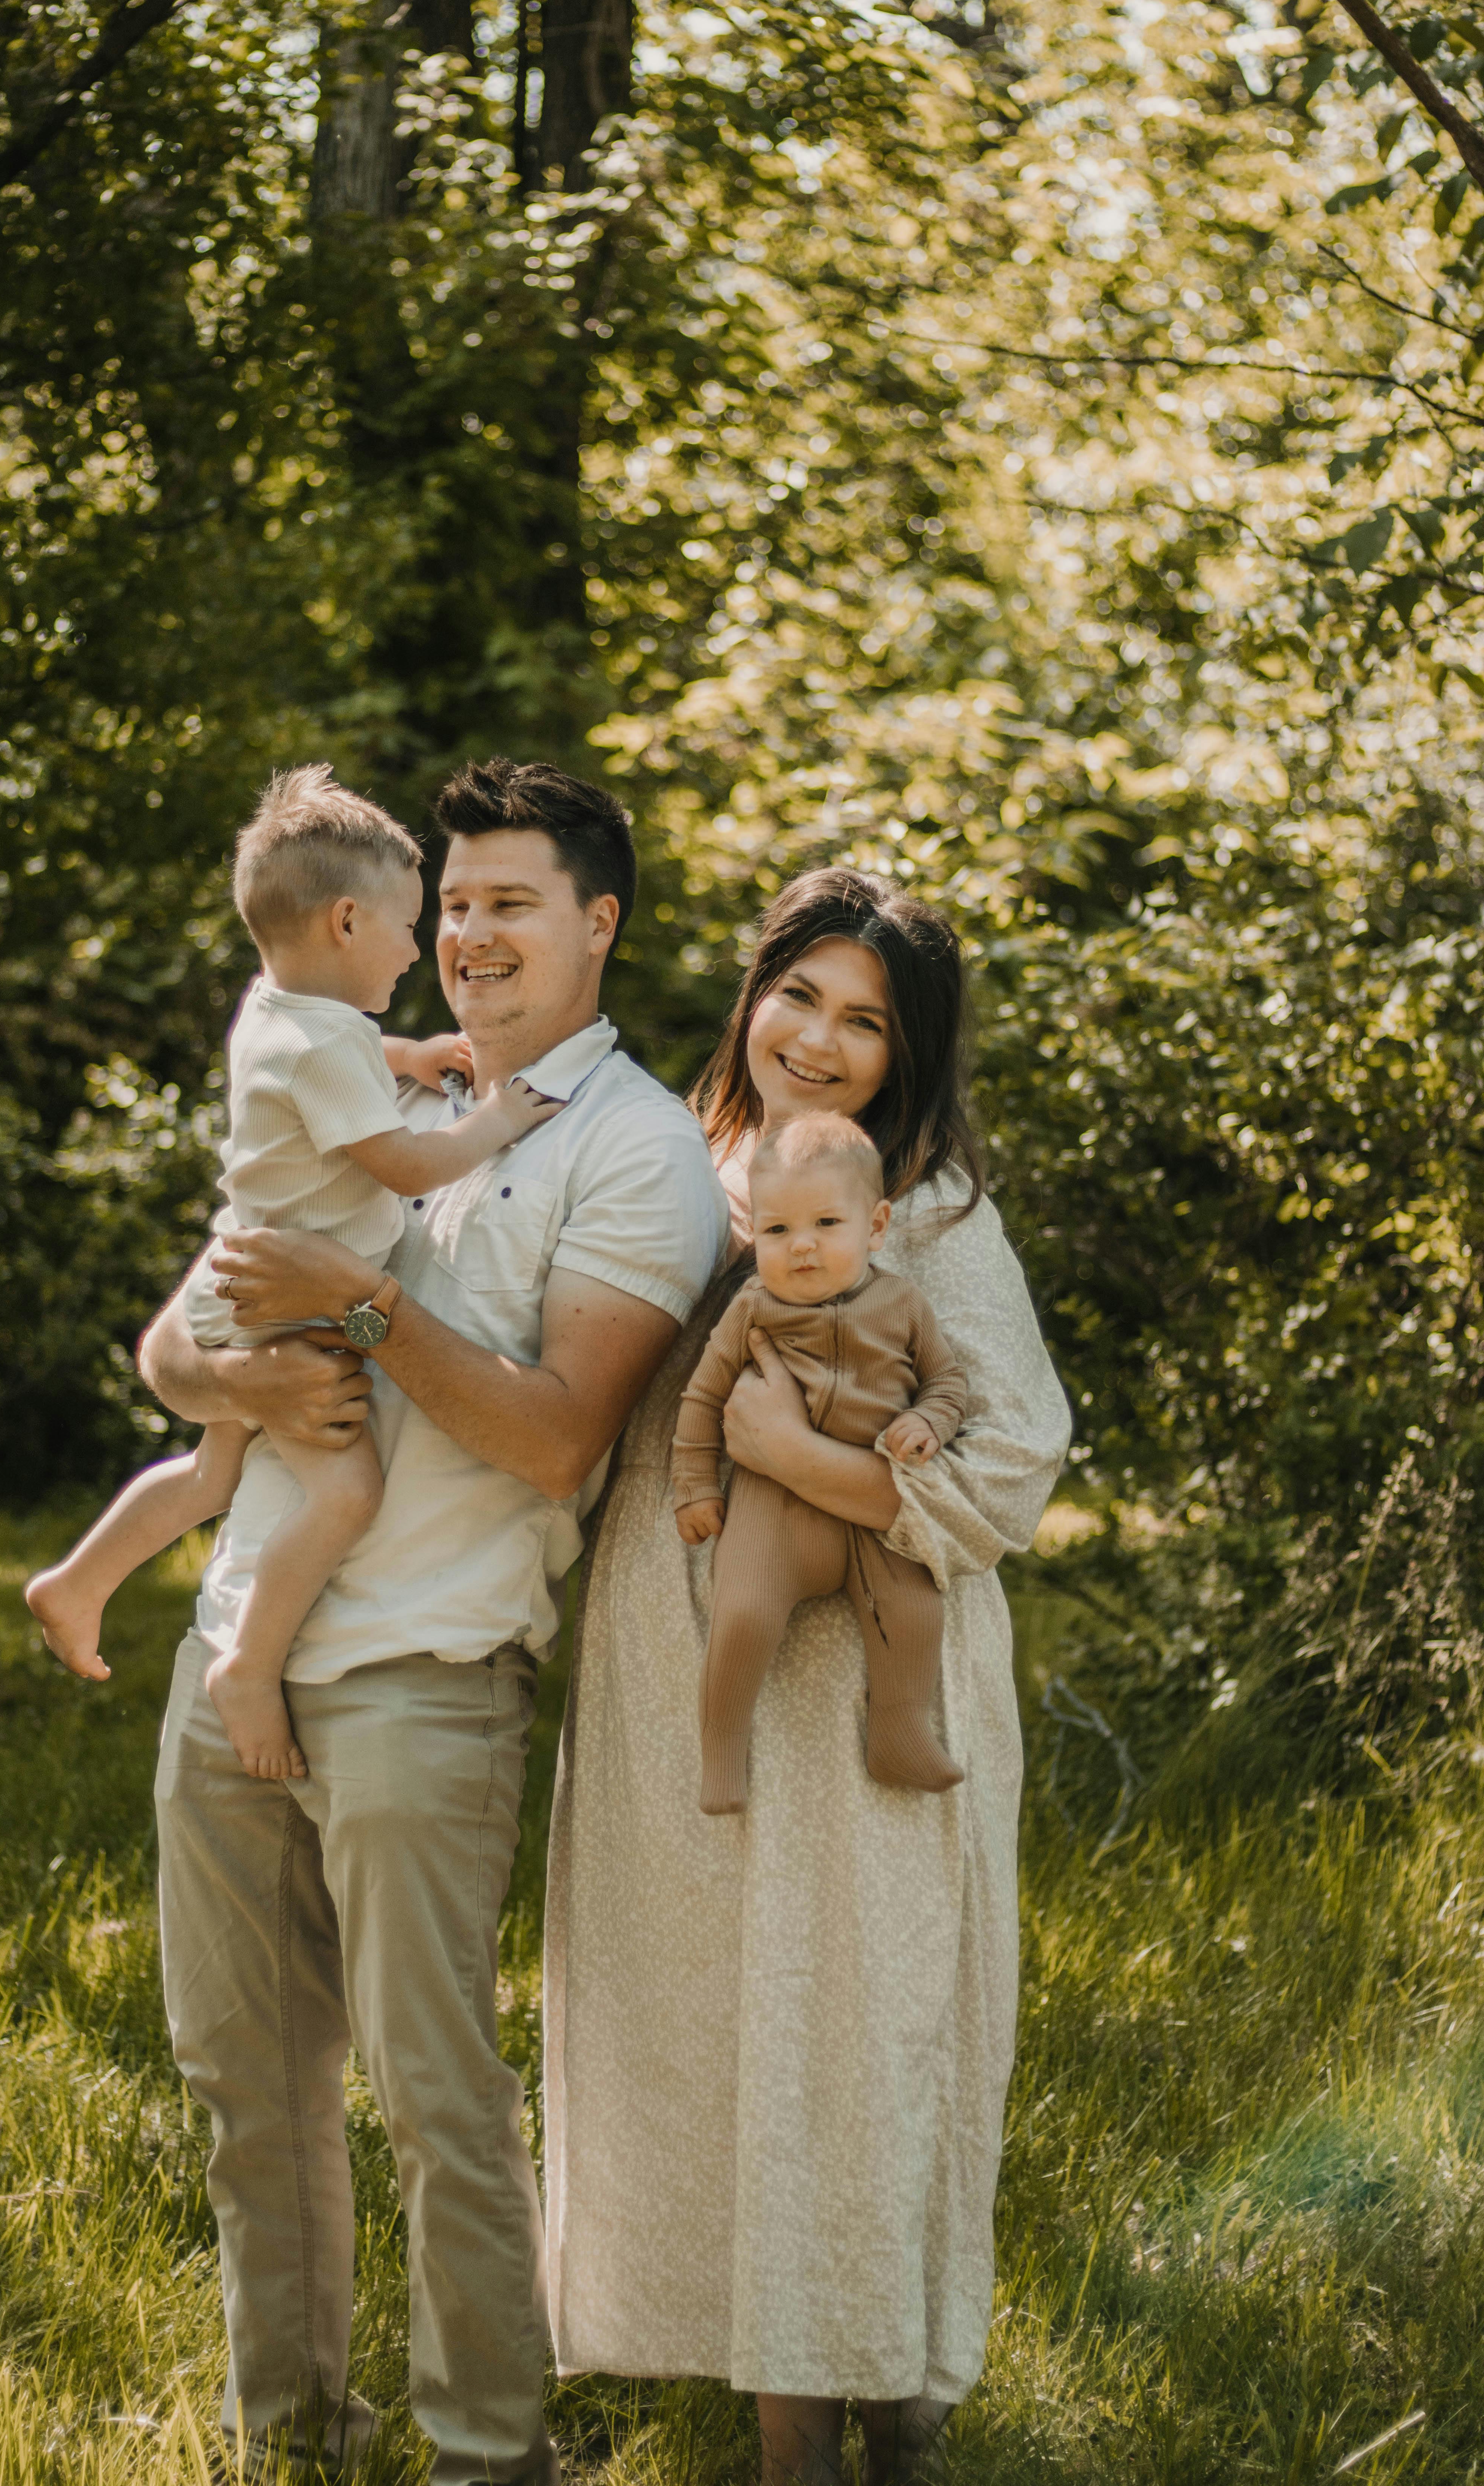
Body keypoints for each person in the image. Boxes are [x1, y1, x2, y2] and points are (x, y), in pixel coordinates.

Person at [135, 760, 728, 2481]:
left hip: (424, 1676)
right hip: (238, 1655)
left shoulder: (636, 1153)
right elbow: (172, 1347)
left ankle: (484, 2455)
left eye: (508, 903)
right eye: (452, 902)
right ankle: (290, 2443)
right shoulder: (347, 1068)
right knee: (246, 2090)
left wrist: (360, 1309)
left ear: (597, 924)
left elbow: (557, 1439)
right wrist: (243, 1373)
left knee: (435, 2099)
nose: (468, 933)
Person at [544, 869, 1071, 2486]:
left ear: (910, 1057)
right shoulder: (674, 1172)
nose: (822, 1042)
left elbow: (1011, 1463)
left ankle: (874, 2413)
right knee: (710, 2028)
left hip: (862, 1693)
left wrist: (802, 1461)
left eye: (867, 1022)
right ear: (751, 992)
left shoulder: (925, 1213)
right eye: (801, 996)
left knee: (855, 2032)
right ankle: (784, 2410)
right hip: (681, 1660)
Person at [26, 766, 556, 1778]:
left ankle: (79, 1582)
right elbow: (406, 1166)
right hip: (284, 1304)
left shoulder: (275, 1010)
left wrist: (405, 1057)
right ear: (347, 923)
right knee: (347, 1495)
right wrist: (495, 1120)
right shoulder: (321, 1047)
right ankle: (251, 1666)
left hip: (242, 1282)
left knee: (213, 1474)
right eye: (409, 926)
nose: (418, 948)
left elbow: (337, 1048)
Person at [673, 1108, 968, 1812]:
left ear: (876, 1226)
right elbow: (703, 1396)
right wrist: (693, 1485)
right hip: (773, 1506)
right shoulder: (752, 1309)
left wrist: (928, 1420)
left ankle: (898, 1732)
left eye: (827, 1224)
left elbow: (949, 1382)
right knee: (744, 1614)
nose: (801, 1246)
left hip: (870, 1504)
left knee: (915, 1610)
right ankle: (723, 1748)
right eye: (777, 1231)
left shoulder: (903, 1304)